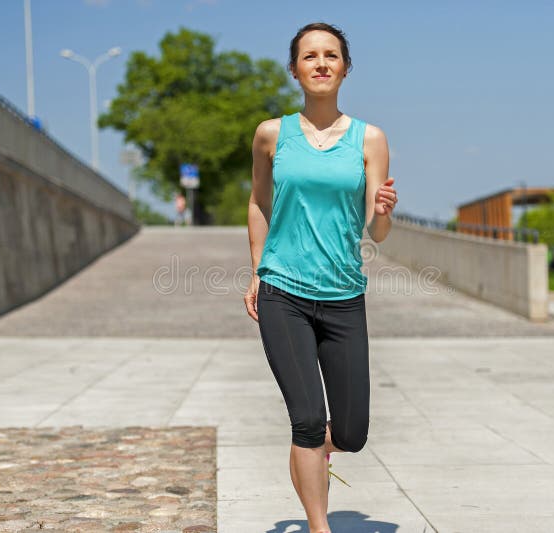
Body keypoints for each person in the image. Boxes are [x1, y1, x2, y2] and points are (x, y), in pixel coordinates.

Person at [244, 22, 398, 533]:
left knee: (351, 432)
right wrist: (255, 271)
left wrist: (382, 210)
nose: (321, 63)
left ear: (345, 67)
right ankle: (318, 525)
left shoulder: (369, 138)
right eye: (310, 56)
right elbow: (259, 204)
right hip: (282, 292)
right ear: (295, 69)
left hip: (343, 295)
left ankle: (319, 452)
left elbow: (378, 232)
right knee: (308, 420)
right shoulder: (272, 134)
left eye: (331, 55)